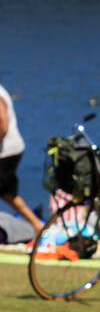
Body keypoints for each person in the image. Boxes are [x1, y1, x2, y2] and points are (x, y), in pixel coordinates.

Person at [0, 82, 42, 235]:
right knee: (8, 193)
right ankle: (38, 225)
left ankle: (37, 225)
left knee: (7, 192)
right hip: (10, 149)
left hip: (6, 151)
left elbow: (2, 126)